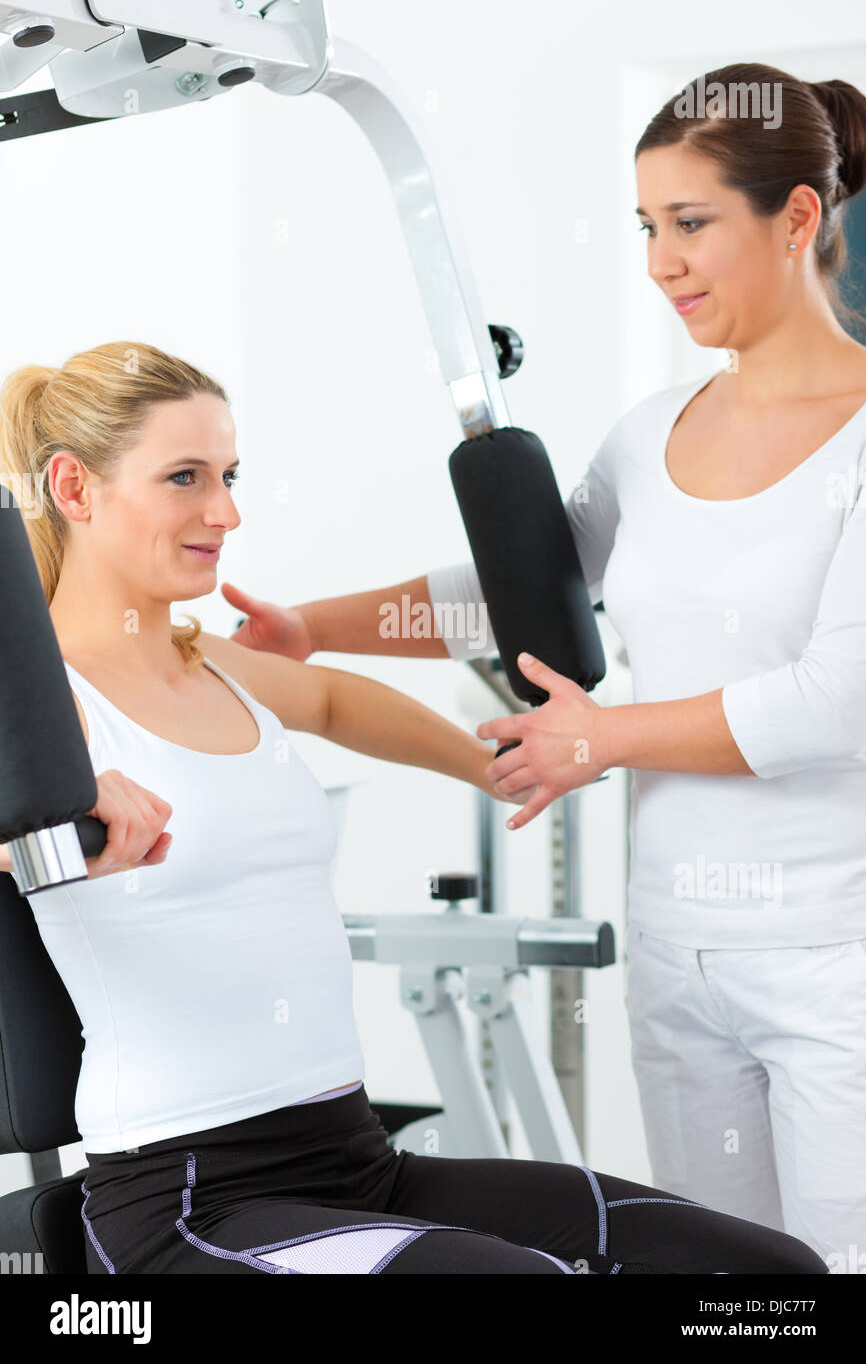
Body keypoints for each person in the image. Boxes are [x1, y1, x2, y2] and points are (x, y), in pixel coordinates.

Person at [220, 62, 866, 1273]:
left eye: (689, 225)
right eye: (643, 228)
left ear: (793, 220)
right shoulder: (650, 431)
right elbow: (521, 599)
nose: (659, 262)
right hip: (680, 948)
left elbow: (835, 703)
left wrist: (602, 737)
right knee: (724, 1280)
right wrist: (316, 626)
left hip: (836, 954)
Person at [0, 340, 824, 1275]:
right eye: (185, 479)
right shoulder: (41, 707)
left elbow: (338, 702)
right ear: (72, 488)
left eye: (229, 476)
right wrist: (55, 808)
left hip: (355, 1166)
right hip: (187, 1201)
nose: (225, 512)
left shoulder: (212, 663)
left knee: (763, 1279)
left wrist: (495, 764)